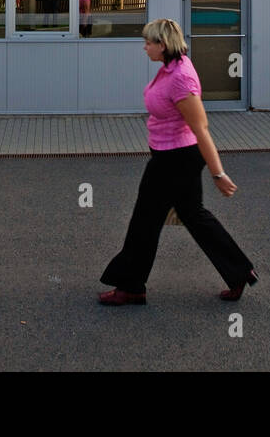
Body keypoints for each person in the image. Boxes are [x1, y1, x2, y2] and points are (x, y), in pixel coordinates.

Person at [99, 18, 257, 305]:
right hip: (170, 155)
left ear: (163, 45)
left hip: (175, 160)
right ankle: (239, 271)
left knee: (144, 221)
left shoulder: (180, 77)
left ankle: (131, 286)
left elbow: (201, 128)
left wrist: (218, 173)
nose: (145, 47)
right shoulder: (169, 69)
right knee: (193, 215)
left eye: (149, 42)